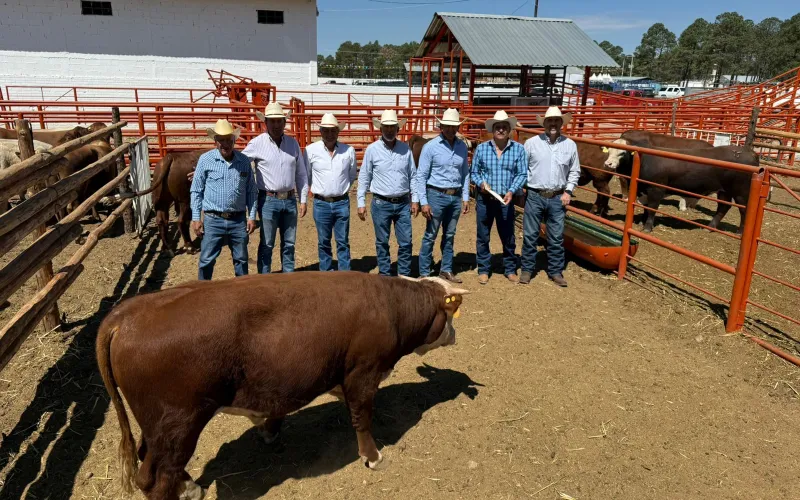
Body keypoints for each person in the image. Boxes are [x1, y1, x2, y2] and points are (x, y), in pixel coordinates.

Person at [243, 102, 309, 274]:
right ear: (265, 122)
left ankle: (288, 277)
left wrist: (303, 199)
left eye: (279, 121)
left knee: (289, 243)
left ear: (284, 122)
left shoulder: (293, 144)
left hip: (289, 198)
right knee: (267, 243)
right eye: (272, 121)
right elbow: (240, 162)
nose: (276, 125)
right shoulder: (257, 143)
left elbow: (301, 173)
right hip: (268, 199)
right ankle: (264, 280)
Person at [520, 106, 581, 287]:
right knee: (530, 234)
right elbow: (523, 168)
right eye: (549, 121)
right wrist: (523, 189)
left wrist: (568, 191)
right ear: (544, 123)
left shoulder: (570, 145)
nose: (553, 124)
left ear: (561, 123)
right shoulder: (531, 143)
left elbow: (574, 171)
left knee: (556, 237)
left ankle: (555, 271)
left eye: (556, 121)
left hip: (557, 196)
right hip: (535, 194)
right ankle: (527, 269)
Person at [190, 119, 258, 280]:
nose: (225, 144)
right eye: (221, 140)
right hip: (213, 219)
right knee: (206, 259)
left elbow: (251, 191)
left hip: (238, 219)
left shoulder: (243, 162)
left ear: (234, 140)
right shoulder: (206, 160)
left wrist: (252, 216)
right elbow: (196, 189)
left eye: (228, 139)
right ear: (215, 141)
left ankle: (241, 293)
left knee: (241, 260)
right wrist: (195, 218)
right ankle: (203, 291)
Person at [357, 109, 419, 277]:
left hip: (403, 202)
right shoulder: (372, 150)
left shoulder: (405, 150)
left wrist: (415, 200)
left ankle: (404, 276)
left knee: (406, 242)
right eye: (387, 127)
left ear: (397, 129)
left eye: (392, 127)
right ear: (381, 129)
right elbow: (364, 176)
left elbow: (413, 175)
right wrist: (361, 202)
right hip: (381, 202)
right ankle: (385, 274)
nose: (390, 130)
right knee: (382, 242)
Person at [470, 110, 527, 285]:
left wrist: (512, 190)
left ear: (509, 129)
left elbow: (522, 174)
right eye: (498, 127)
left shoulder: (518, 149)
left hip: (505, 198)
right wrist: (481, 184)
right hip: (485, 198)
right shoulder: (482, 148)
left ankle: (509, 268)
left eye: (504, 127)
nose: (501, 130)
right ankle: (484, 268)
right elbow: (474, 172)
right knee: (483, 234)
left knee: (508, 234)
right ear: (492, 129)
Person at [416, 108, 470, 283]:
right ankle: (424, 272)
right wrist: (423, 201)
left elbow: (465, 173)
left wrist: (465, 197)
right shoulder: (430, 147)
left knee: (450, 234)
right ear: (441, 126)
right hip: (436, 194)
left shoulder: (462, 146)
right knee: (431, 234)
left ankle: (445, 269)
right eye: (447, 126)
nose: (450, 129)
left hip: (454, 196)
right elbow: (421, 175)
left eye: (453, 126)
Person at [305, 113, 356, 271]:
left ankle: (344, 274)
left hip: (341, 201)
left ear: (337, 132)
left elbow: (352, 175)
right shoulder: (310, 151)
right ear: (320, 131)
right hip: (321, 202)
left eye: (332, 130)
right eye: (326, 130)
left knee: (342, 241)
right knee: (323, 241)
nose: (329, 134)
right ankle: (326, 274)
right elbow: (307, 175)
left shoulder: (348, 151)